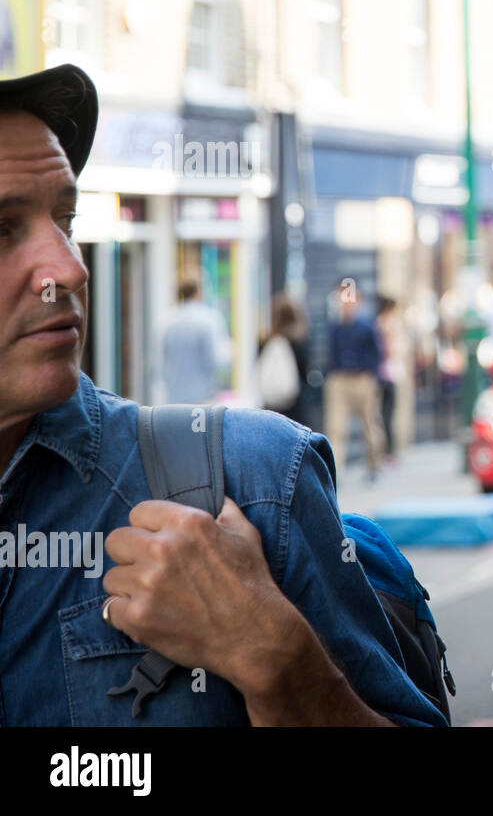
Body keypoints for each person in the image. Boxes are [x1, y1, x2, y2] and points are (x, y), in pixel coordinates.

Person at [0, 64, 444, 725]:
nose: (70, 266)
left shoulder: (252, 480)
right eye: (3, 229)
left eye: (67, 218)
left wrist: (277, 658)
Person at [324, 279, 385, 479]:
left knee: (370, 426)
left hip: (362, 379)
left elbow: (376, 355)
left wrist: (372, 378)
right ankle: (336, 470)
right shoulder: (335, 327)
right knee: (336, 428)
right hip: (340, 379)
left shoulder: (367, 327)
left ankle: (374, 466)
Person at [160, 276, 232, 404]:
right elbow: (217, 360)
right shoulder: (209, 319)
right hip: (202, 401)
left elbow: (161, 363)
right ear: (199, 292)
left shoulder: (167, 321)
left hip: (174, 400)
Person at [257, 292, 310, 425]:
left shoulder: (264, 343)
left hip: (269, 409)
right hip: (293, 409)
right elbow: (305, 374)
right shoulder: (296, 344)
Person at [373, 294, 406, 461]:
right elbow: (387, 350)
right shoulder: (385, 324)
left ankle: (388, 451)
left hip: (389, 373)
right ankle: (387, 451)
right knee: (386, 413)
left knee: (387, 413)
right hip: (386, 374)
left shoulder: (382, 323)